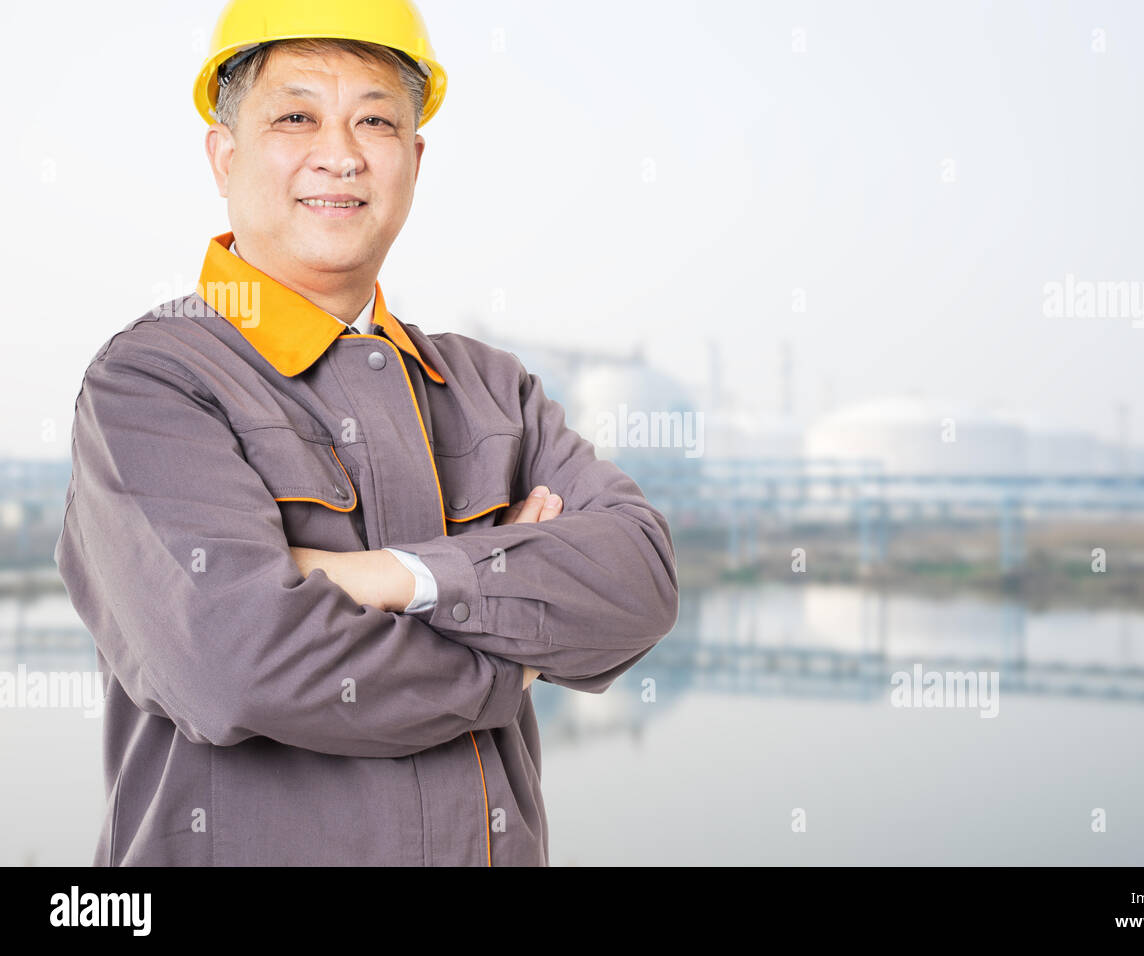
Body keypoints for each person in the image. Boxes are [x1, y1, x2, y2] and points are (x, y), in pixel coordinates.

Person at [53, 0, 678, 866]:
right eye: (296, 115)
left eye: (375, 120)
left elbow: (639, 583)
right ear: (224, 154)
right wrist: (513, 658)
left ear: (413, 161)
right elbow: (231, 665)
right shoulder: (154, 382)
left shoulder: (492, 388)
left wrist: (390, 579)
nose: (340, 154)